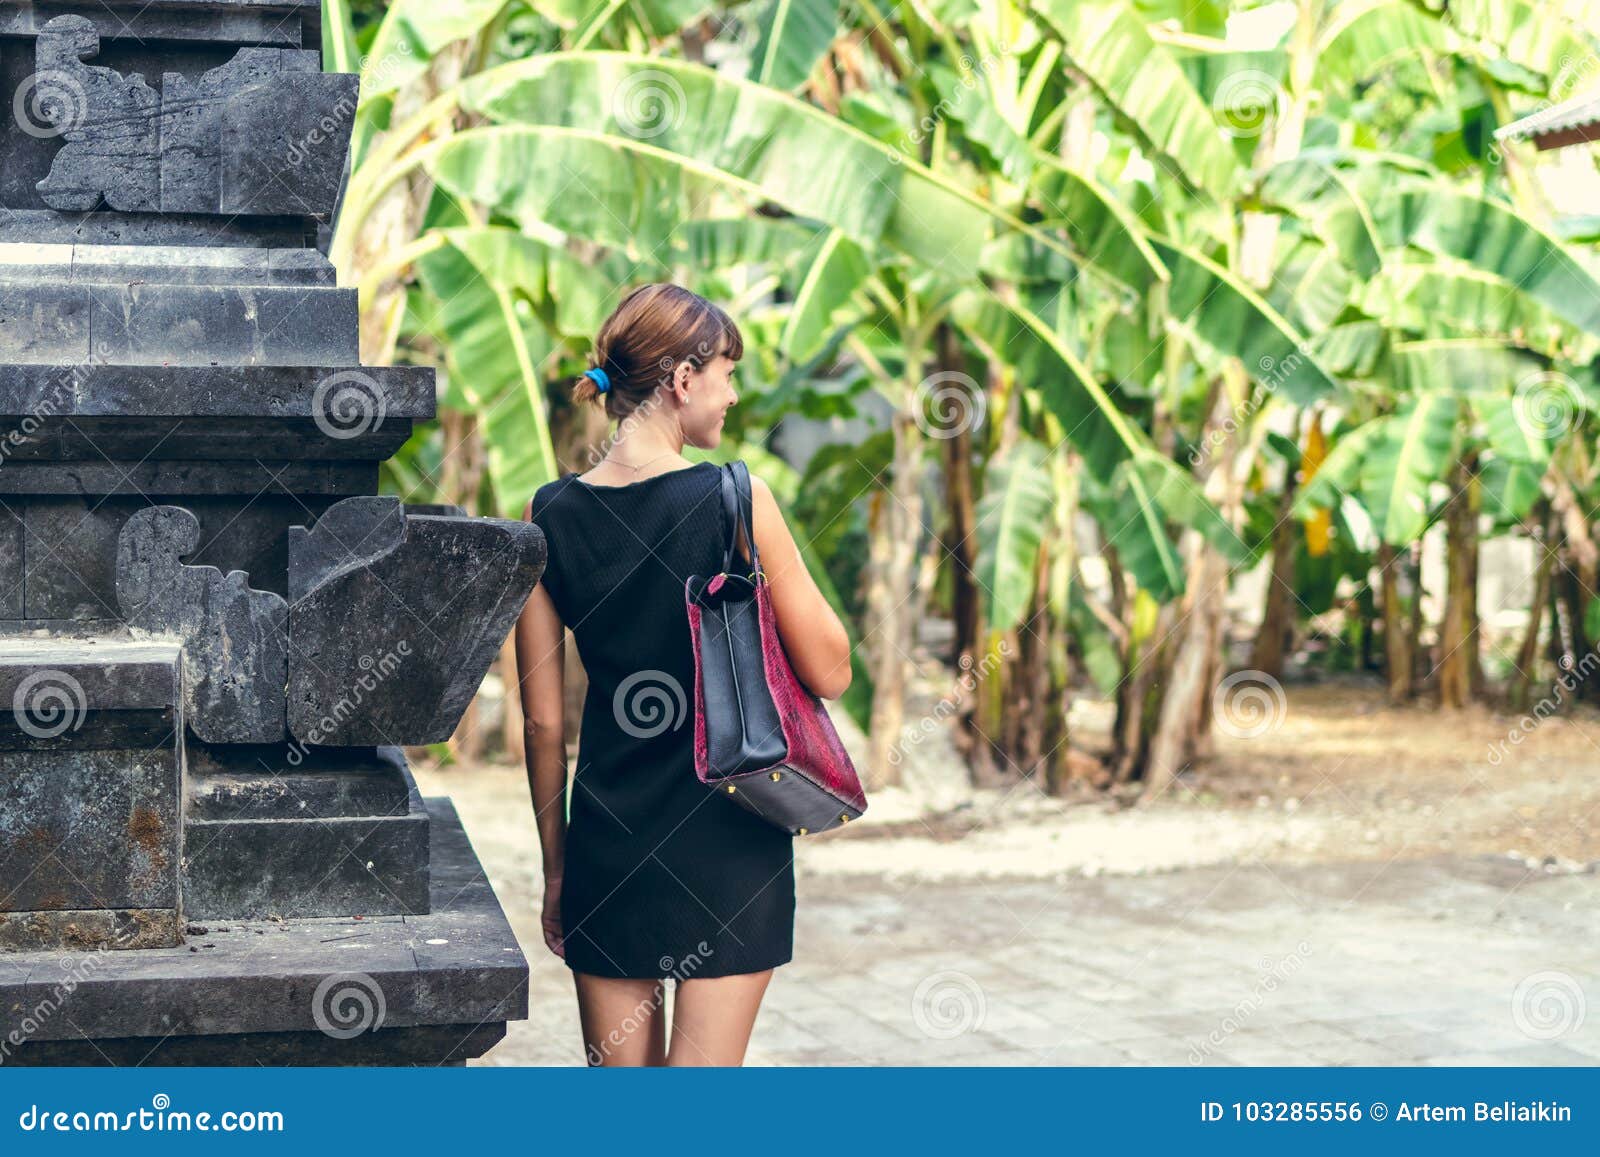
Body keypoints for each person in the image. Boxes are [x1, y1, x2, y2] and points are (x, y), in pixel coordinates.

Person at [513, 283, 853, 1066]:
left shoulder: (548, 513)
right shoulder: (736, 498)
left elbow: (543, 724)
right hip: (730, 841)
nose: (733, 395)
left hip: (608, 843)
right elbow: (831, 668)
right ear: (682, 378)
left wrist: (558, 867)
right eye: (727, 372)